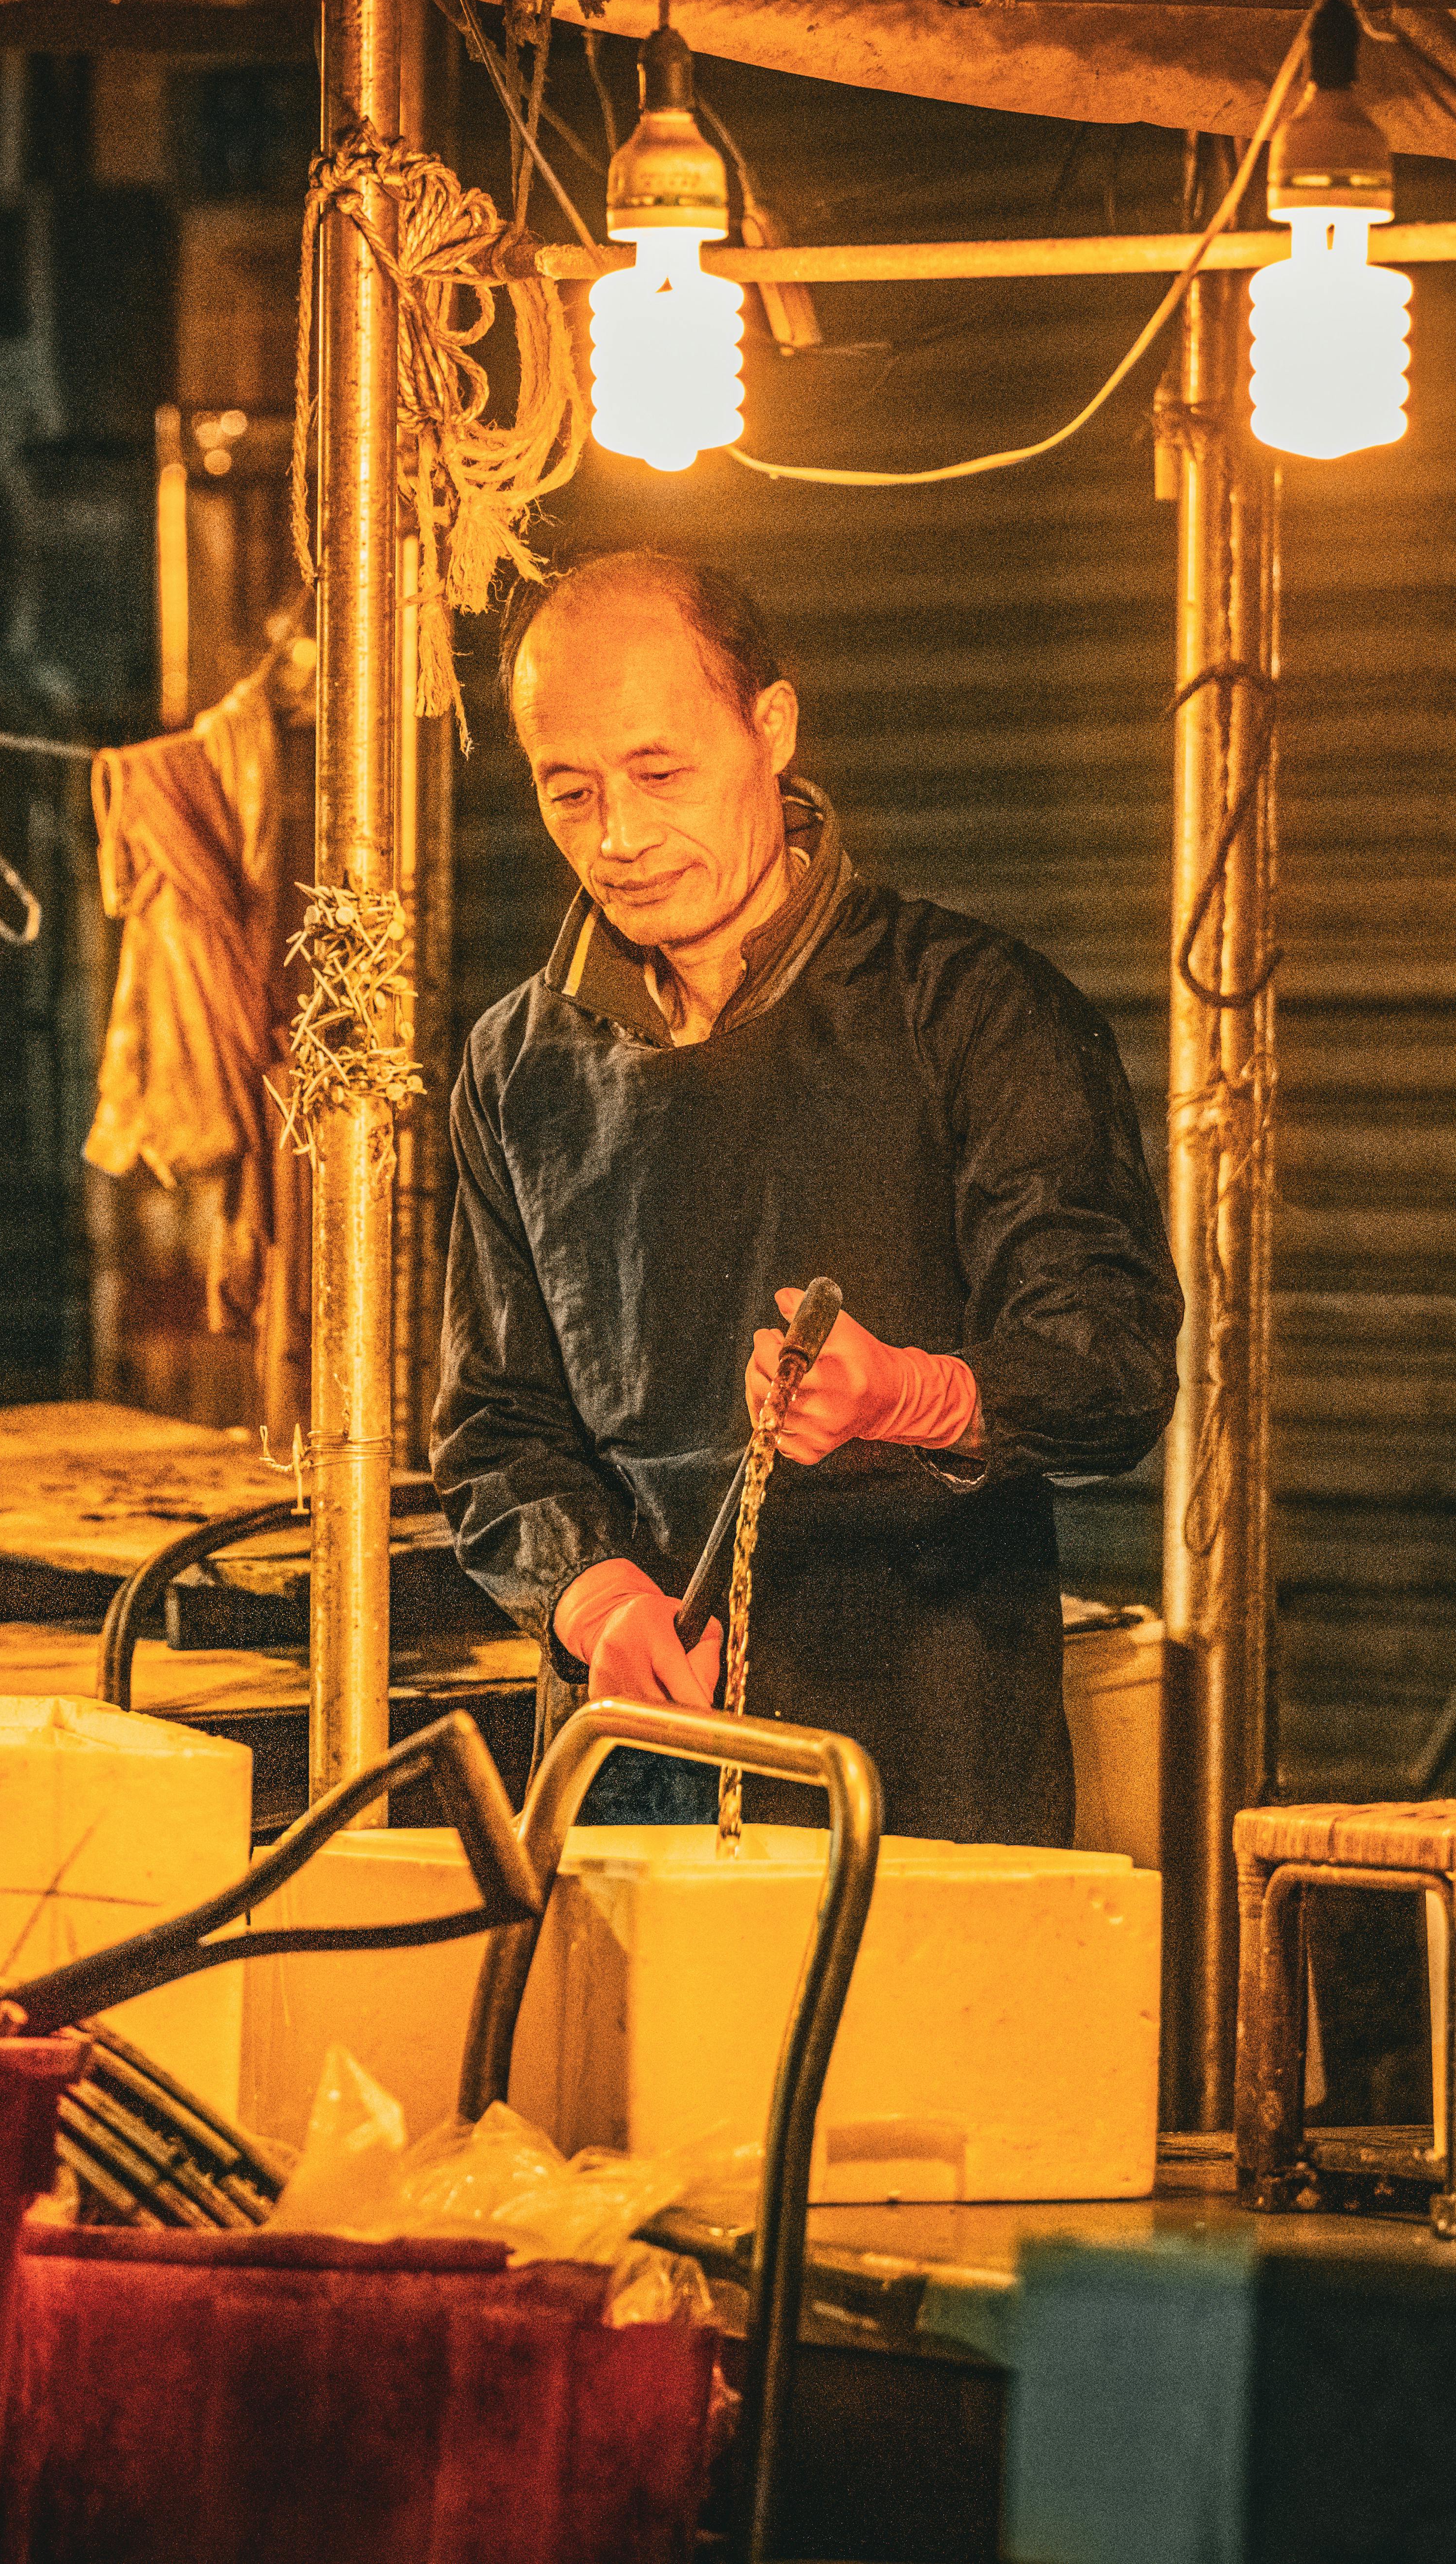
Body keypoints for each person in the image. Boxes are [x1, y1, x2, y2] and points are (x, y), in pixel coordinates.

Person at [434, 551, 1180, 1846]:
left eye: (660, 774)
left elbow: (1112, 1368)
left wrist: (914, 1396)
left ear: (772, 727)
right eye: (571, 792)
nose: (616, 836)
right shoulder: (517, 1063)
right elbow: (497, 1430)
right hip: (627, 1772)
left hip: (924, 1762)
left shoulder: (976, 1013)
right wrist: (600, 1604)